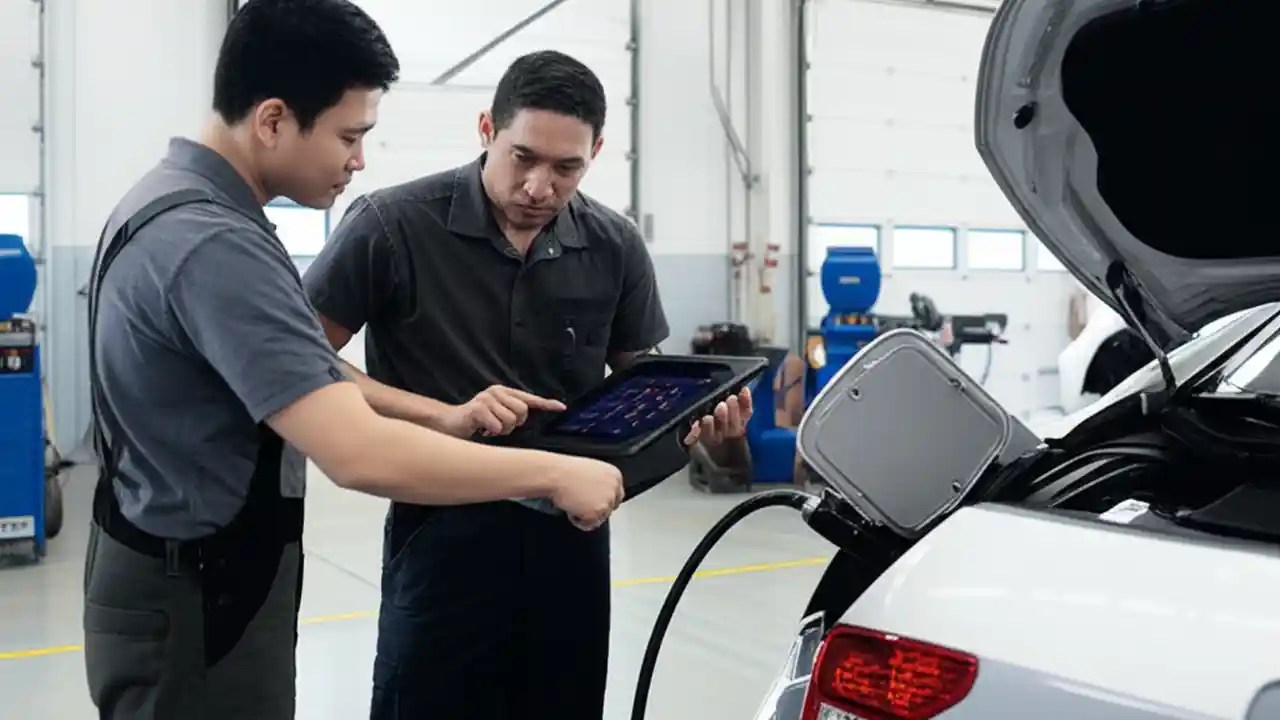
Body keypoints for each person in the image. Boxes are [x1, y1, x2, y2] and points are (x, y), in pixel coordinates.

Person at [82, 6, 625, 719]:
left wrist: (440, 414)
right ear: (274, 119)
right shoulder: (213, 244)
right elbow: (358, 454)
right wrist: (555, 473)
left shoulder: (171, 205)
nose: (359, 159)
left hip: (189, 573)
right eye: (349, 135)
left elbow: (300, 369)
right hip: (197, 593)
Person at [301, 49, 753, 718]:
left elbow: (645, 383)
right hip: (441, 535)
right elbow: (304, 356)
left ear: (596, 150)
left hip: (570, 538)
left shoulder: (614, 245)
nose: (540, 186)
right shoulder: (390, 228)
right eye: (523, 157)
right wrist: (440, 415)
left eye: (567, 167)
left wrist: (703, 420)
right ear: (487, 129)